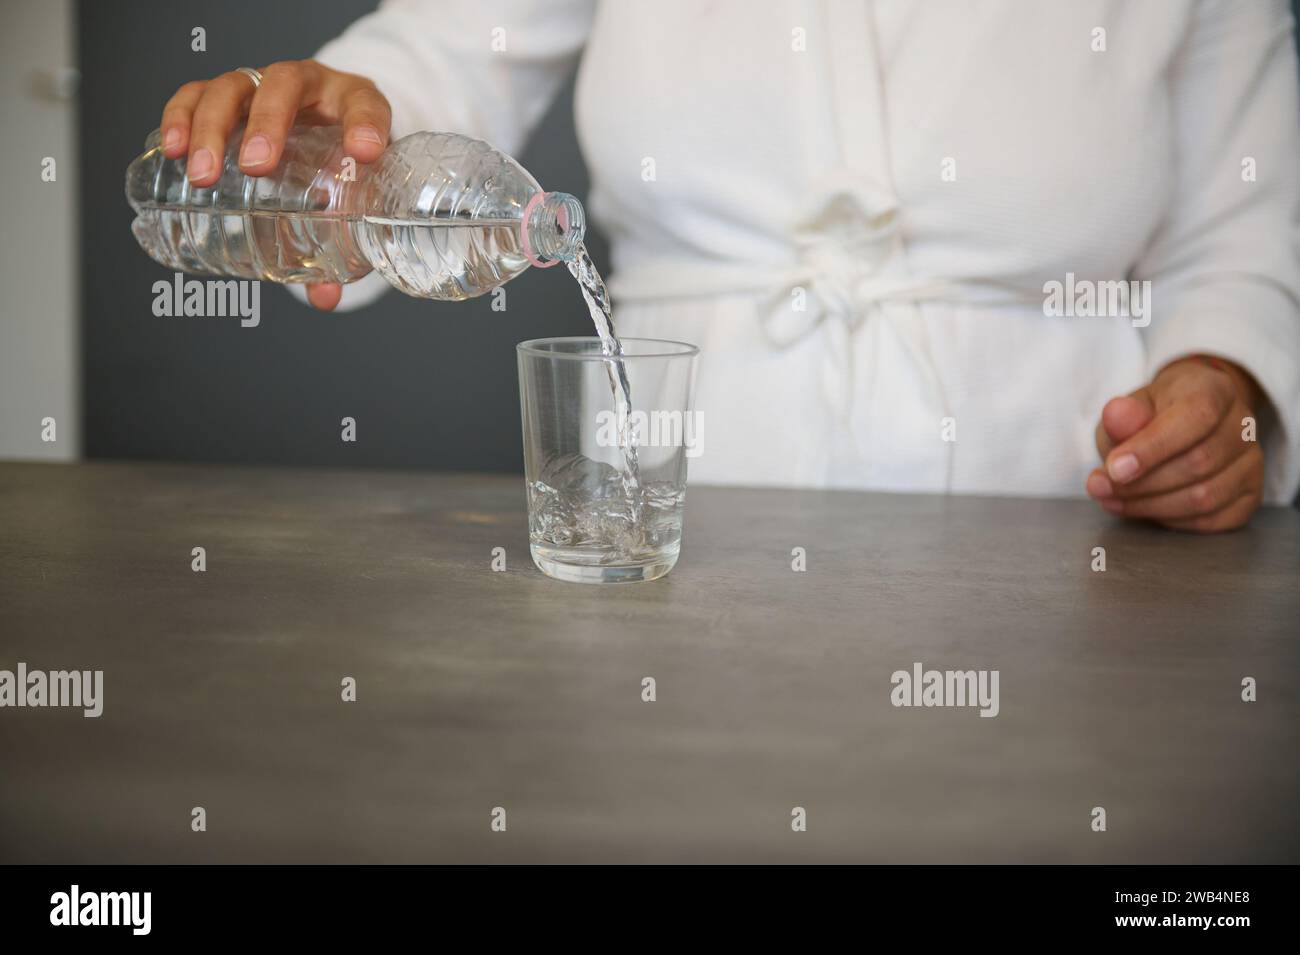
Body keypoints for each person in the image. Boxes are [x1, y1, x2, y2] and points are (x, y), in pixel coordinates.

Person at [156, 0, 1299, 531]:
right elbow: (443, 54)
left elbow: (1242, 229)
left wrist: (1228, 391)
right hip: (675, 520)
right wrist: (340, 133)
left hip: (1059, 529)